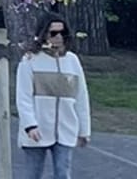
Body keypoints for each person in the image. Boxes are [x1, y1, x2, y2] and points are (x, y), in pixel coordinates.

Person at [17, 16, 91, 179]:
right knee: (32, 174)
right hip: (37, 130)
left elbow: (81, 97)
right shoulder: (30, 60)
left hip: (65, 129)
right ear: (44, 34)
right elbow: (23, 97)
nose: (58, 37)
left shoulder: (73, 61)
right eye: (53, 33)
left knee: (63, 173)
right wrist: (30, 125)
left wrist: (84, 129)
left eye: (62, 33)